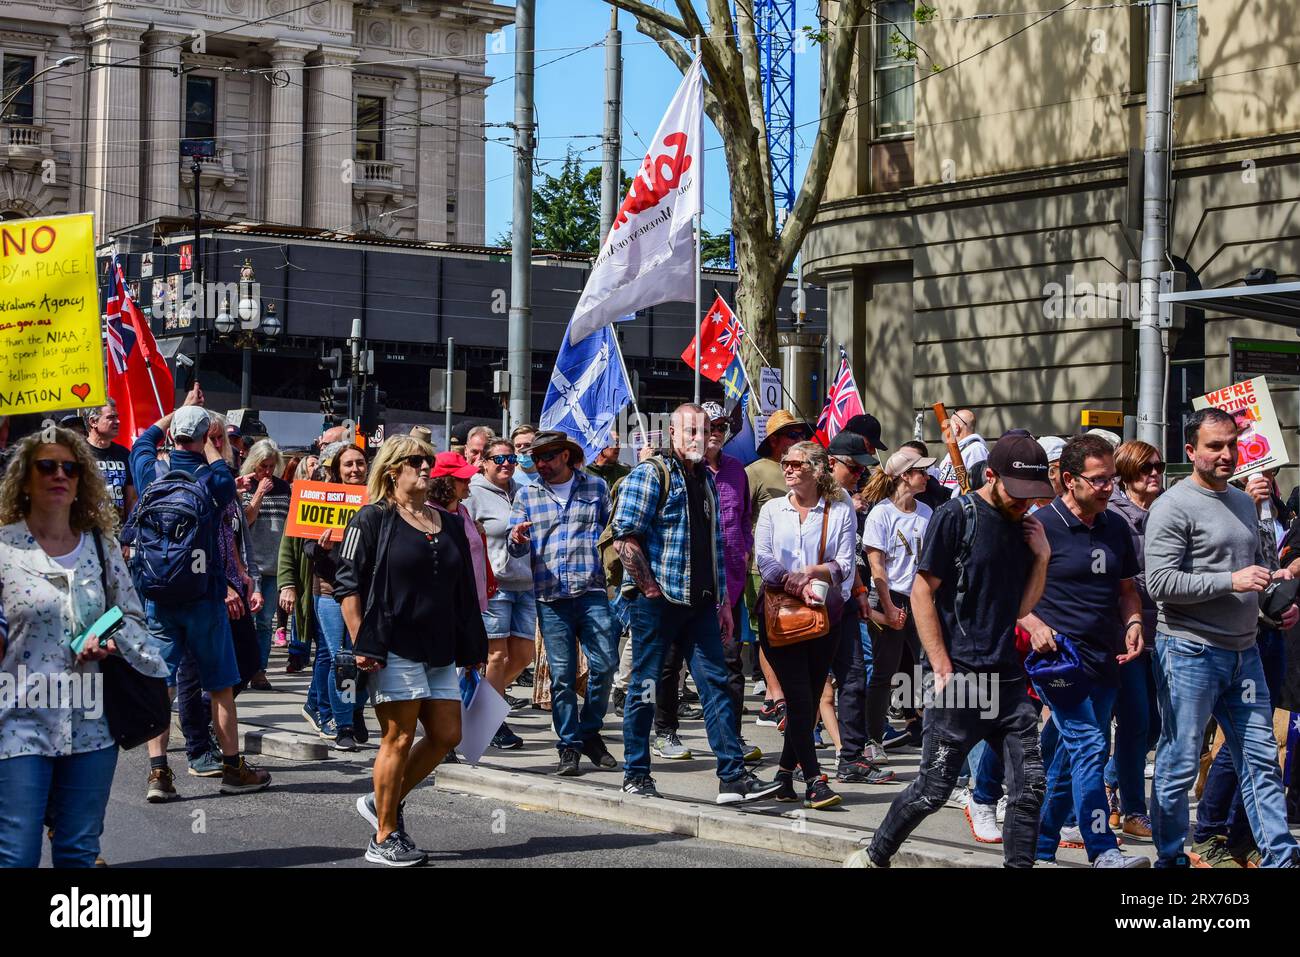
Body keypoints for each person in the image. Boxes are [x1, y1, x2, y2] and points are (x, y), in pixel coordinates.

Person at [847, 433, 1052, 868]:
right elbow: (922, 594)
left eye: (1034, 496)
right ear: (991, 475)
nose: (1026, 504)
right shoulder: (957, 516)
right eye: (1019, 495)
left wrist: (1042, 558)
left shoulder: (1025, 528)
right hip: (959, 678)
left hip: (1008, 680)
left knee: (1030, 787)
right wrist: (940, 666)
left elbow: (1021, 608)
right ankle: (873, 856)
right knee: (933, 790)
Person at [0, 428, 167, 867]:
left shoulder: (100, 544)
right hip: (18, 719)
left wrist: (109, 642)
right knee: (16, 853)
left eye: (70, 468)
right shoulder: (4, 548)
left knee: (78, 849)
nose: (60, 475)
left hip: (91, 722)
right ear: (24, 478)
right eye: (47, 466)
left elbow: (133, 619)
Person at [1145, 407, 1300, 868]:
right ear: (1191, 451)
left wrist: (1274, 606)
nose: (1227, 454)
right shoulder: (1173, 506)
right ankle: (1170, 858)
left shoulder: (1239, 501)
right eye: (1215, 446)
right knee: (1179, 763)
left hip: (1244, 650)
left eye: (1232, 444)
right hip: (1188, 650)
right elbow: (1160, 584)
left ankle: (1280, 857)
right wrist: (1231, 581)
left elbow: (1252, 575)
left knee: (1261, 762)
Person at [613, 404, 781, 804]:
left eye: (704, 431)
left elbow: (715, 549)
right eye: (689, 430)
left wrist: (723, 601)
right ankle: (636, 774)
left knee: (716, 685)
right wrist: (650, 590)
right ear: (671, 432)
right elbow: (625, 538)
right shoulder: (652, 473)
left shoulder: (706, 480)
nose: (698, 438)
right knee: (646, 688)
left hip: (702, 603)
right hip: (658, 602)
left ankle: (732, 777)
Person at [335, 436, 486, 866]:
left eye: (427, 460)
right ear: (391, 471)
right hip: (393, 646)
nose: (425, 466)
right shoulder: (371, 519)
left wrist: (471, 644)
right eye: (414, 461)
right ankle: (384, 835)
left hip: (440, 648)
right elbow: (347, 583)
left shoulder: (450, 523)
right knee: (397, 737)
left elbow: (464, 591)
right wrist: (362, 640)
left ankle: (382, 799)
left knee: (446, 735)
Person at [127, 382, 271, 799]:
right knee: (221, 686)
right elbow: (225, 481)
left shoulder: (148, 467)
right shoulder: (215, 479)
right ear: (209, 440)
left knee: (162, 682)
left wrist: (178, 412)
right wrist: (210, 444)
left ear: (173, 437)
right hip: (205, 597)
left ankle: (158, 774)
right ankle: (231, 769)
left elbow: (145, 438)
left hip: (157, 595)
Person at [1016, 434, 1148, 868]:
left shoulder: (1116, 527)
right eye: (1098, 480)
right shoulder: (1040, 526)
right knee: (1091, 746)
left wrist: (1133, 622)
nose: (1109, 487)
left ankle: (1038, 846)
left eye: (1111, 478)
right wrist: (1033, 625)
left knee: (1069, 760)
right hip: (1059, 661)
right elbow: (1007, 595)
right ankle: (1103, 849)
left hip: (1105, 658)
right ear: (1069, 480)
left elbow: (1126, 589)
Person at [647, 403, 761, 763]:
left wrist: (744, 550)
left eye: (720, 427)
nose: (713, 434)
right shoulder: (670, 472)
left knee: (728, 665)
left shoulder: (735, 471)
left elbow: (743, 517)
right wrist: (650, 587)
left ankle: (732, 740)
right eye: (703, 428)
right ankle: (664, 732)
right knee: (669, 662)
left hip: (726, 585)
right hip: (676, 587)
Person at [753, 440, 859, 809]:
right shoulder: (772, 510)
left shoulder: (840, 511)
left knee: (810, 698)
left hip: (824, 614)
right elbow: (763, 558)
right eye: (785, 463)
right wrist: (790, 579)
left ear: (817, 469)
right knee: (798, 695)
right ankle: (814, 779)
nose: (788, 469)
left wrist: (814, 572)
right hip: (778, 613)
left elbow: (845, 563)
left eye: (796, 464)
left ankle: (784, 774)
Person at [508, 431, 619, 775]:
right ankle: (569, 745)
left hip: (592, 592)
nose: (541, 464)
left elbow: (610, 533)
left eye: (548, 457)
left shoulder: (595, 488)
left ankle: (589, 730)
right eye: (536, 458)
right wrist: (517, 539)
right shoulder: (527, 494)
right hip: (550, 597)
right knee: (562, 677)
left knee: (605, 665)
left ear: (567, 456)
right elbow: (515, 547)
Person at [862, 445, 937, 776]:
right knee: (884, 671)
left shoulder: (927, 513)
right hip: (890, 597)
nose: (927, 476)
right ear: (906, 476)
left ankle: (934, 739)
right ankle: (872, 739)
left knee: (930, 670)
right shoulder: (881, 514)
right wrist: (889, 606)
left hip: (921, 599)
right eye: (922, 471)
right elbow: (876, 564)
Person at [1103, 439, 1164, 840]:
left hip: (1167, 630)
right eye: (1146, 469)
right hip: (1125, 632)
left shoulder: (1168, 508)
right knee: (1135, 720)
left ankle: (1111, 779)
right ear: (1127, 475)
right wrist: (1163, 584)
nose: (1156, 474)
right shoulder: (1113, 516)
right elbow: (1118, 577)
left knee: (1156, 725)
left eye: (1158, 467)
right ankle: (1133, 810)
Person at [825, 430, 894, 784]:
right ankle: (796, 766)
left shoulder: (848, 501)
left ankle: (851, 758)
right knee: (809, 686)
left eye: (861, 469)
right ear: (831, 462)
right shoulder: (815, 499)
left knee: (854, 679)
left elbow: (851, 555)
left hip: (847, 604)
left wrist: (861, 592)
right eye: (853, 468)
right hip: (814, 605)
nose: (859, 475)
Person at [294, 442, 371, 751]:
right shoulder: (325, 499)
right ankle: (343, 724)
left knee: (364, 658)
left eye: (360, 463)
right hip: (330, 591)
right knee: (343, 659)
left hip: (367, 592)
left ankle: (352, 708)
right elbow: (306, 548)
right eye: (348, 464)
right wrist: (321, 547)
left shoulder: (374, 498)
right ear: (338, 470)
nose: (355, 469)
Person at [745, 410, 813, 732]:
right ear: (774, 440)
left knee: (797, 630)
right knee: (768, 631)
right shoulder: (755, 472)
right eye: (792, 435)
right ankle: (775, 696)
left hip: (800, 569)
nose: (798, 440)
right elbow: (741, 517)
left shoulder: (806, 472)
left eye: (801, 435)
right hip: (764, 567)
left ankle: (789, 694)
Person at [467, 439, 536, 750]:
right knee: (497, 657)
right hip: (493, 586)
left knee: (523, 656)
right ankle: (490, 723)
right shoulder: (472, 492)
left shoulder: (523, 490)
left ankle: (478, 706)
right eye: (499, 458)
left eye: (512, 457)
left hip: (526, 584)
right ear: (484, 461)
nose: (507, 463)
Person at [240, 439, 291, 691]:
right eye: (263, 466)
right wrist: (258, 492)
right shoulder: (245, 486)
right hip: (250, 565)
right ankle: (244, 667)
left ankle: (259, 670)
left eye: (272, 466)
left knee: (265, 621)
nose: (268, 472)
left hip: (273, 567)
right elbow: (245, 521)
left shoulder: (284, 489)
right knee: (246, 620)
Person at [83, 400, 136, 523]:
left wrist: (127, 532)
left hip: (117, 533)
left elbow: (131, 499)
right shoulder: (78, 453)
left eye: (117, 417)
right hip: (87, 531)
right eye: (111, 417)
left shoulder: (124, 454)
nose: (118, 421)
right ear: (93, 422)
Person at [933, 409, 989, 495]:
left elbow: (980, 486)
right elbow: (941, 477)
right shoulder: (954, 450)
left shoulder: (976, 449)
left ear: (956, 427)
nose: (946, 430)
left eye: (949, 426)